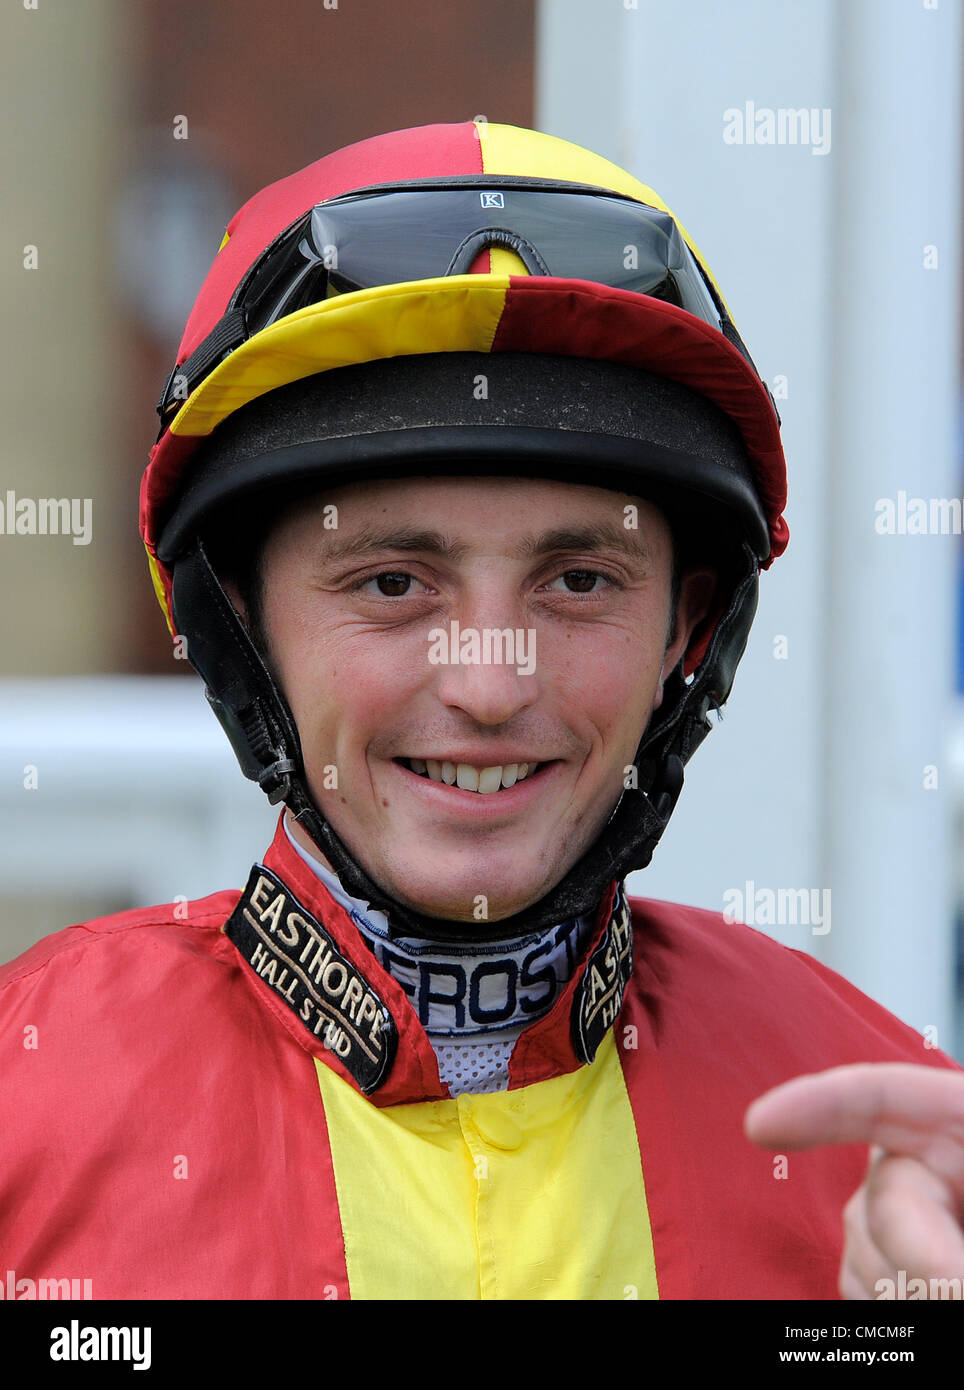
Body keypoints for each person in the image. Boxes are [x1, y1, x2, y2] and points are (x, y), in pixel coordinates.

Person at [0, 120, 959, 1302]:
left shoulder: (893, 1140)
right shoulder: (23, 1103)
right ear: (245, 624)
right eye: (394, 582)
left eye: (578, 581)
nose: (491, 684)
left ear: (684, 630)